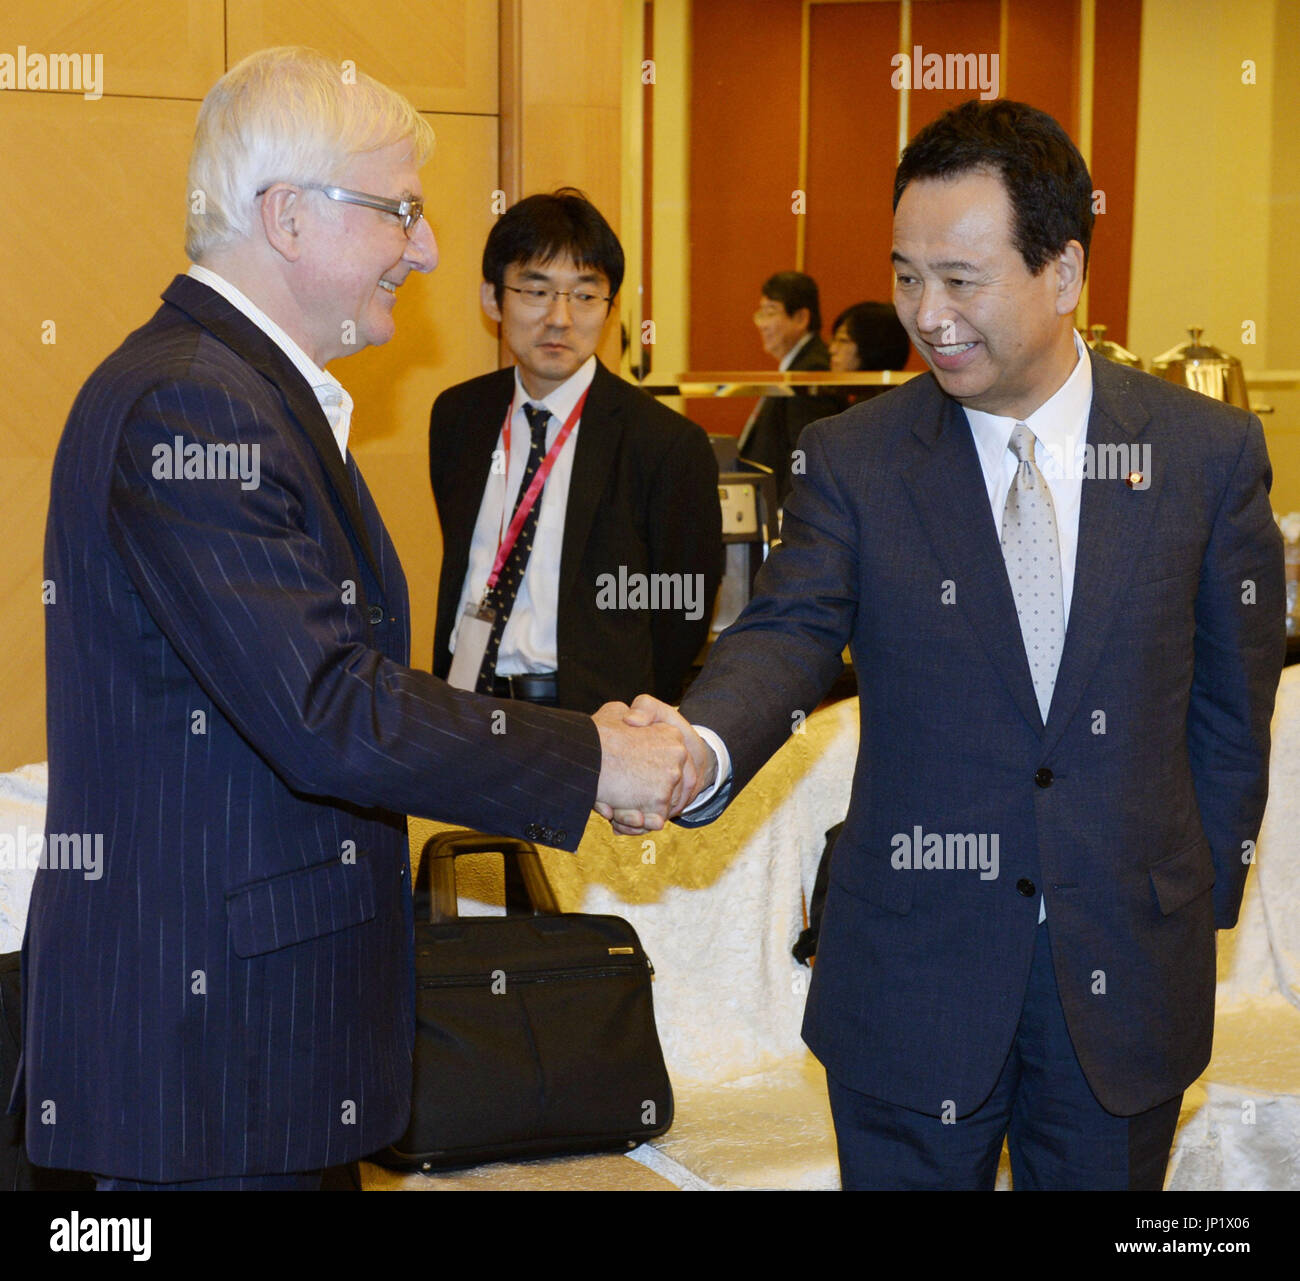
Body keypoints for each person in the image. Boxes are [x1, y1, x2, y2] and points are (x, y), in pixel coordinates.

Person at [15, 47, 689, 1191]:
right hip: (213, 1058)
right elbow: (324, 707)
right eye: (398, 211)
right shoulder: (196, 403)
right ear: (286, 216)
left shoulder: (240, 391)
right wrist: (593, 760)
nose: (424, 250)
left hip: (253, 1043)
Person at [606, 99, 1285, 1190]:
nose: (927, 313)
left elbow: (1228, 710)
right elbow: (785, 634)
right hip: (909, 974)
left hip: (1120, 979)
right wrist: (698, 746)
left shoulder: (1202, 455)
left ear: (1062, 272)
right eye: (905, 275)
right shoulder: (855, 460)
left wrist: (1183, 908)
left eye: (960, 279)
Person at [429, 189, 722, 713]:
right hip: (466, 705)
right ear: (494, 299)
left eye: (585, 295)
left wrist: (635, 711)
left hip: (592, 721)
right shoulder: (458, 417)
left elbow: (683, 603)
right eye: (536, 291)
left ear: (609, 306)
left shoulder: (664, 442)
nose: (560, 318)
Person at [738, 270, 841, 503]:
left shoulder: (810, 372)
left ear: (801, 318)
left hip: (786, 508)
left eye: (770, 312)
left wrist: (789, 510)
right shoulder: (796, 366)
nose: (762, 324)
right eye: (760, 313)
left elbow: (804, 450)